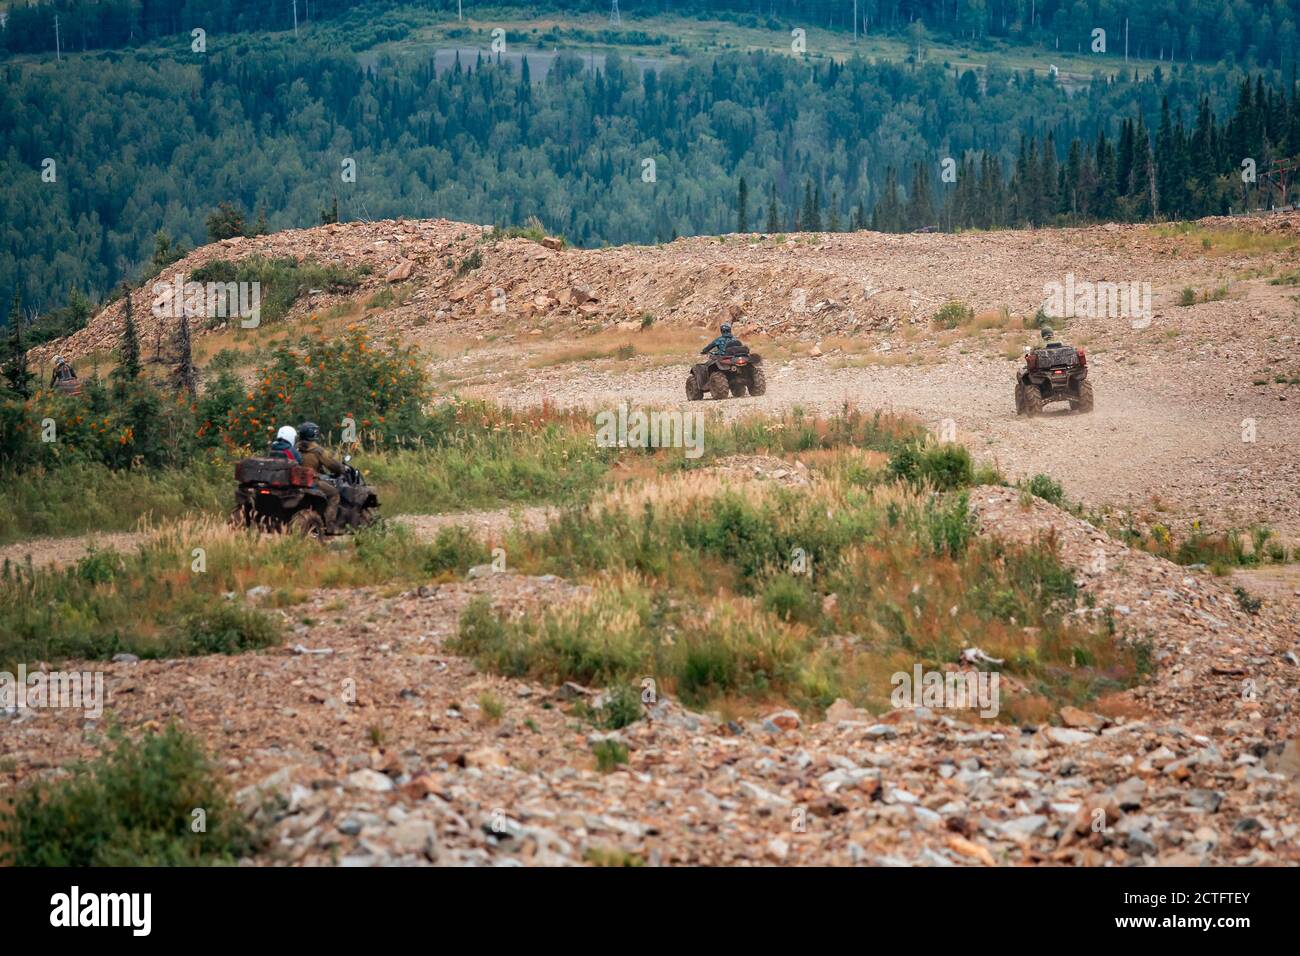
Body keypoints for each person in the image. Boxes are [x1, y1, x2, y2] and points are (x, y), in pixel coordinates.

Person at [296, 421, 344, 529]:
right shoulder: (316, 450)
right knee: (334, 494)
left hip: (296, 482)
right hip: (312, 482)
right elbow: (332, 465)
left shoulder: (295, 448)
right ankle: (330, 524)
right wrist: (341, 469)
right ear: (312, 434)